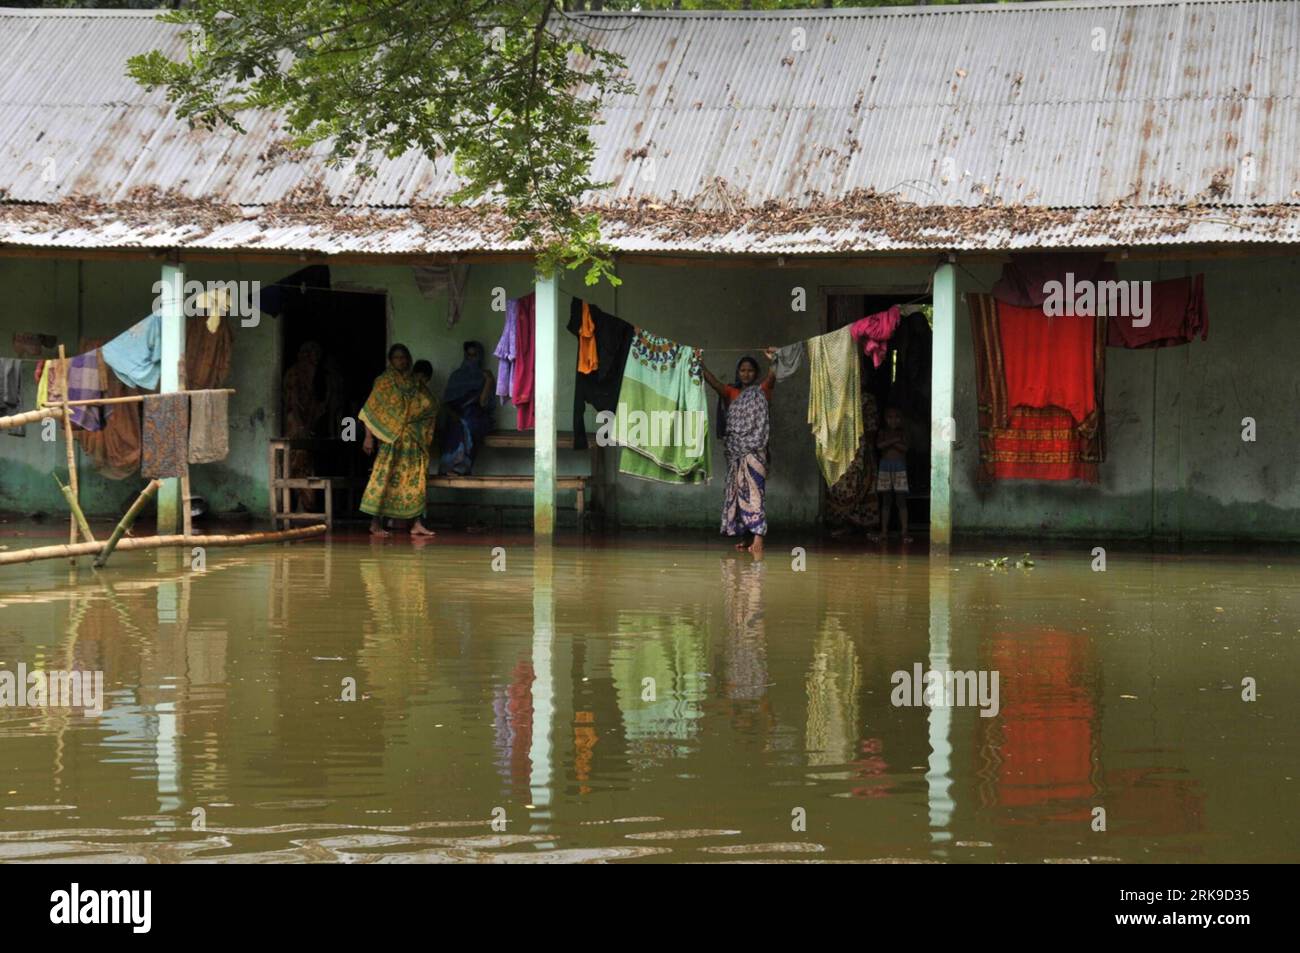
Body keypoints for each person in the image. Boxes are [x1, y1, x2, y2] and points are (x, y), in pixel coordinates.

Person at [701, 350, 777, 558]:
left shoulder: (762, 391)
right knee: (737, 493)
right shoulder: (730, 393)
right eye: (742, 370)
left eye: (750, 370)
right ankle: (745, 536)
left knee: (755, 492)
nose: (746, 374)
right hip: (735, 451)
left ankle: (759, 535)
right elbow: (713, 382)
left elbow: (772, 376)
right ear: (737, 373)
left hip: (756, 450)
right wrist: (698, 361)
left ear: (755, 373)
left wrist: (775, 360)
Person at [359, 344, 438, 537]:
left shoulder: (414, 382)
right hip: (391, 440)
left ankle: (417, 524)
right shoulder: (384, 382)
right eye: (396, 357)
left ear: (408, 359)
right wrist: (368, 438)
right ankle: (375, 523)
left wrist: (418, 423)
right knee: (383, 479)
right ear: (390, 360)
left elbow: (430, 404)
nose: (400, 361)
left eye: (403, 357)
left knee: (415, 482)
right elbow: (369, 410)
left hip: (412, 441)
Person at [826, 388, 880, 536]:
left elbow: (871, 427)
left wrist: (867, 450)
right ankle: (845, 523)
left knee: (863, 482)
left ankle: (861, 524)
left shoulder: (867, 399)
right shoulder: (836, 395)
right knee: (843, 486)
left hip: (860, 447)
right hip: (840, 449)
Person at [438, 341, 496, 476]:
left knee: (467, 423)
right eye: (468, 355)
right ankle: (447, 467)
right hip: (455, 414)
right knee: (455, 425)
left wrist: (488, 382)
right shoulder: (456, 375)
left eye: (474, 355)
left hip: (477, 415)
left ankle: (461, 468)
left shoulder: (485, 376)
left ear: (480, 356)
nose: (471, 359)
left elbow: (483, 404)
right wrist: (454, 414)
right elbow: (446, 403)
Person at [282, 341, 325, 513]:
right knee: (297, 463)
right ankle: (299, 504)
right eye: (312, 354)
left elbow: (319, 405)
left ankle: (303, 505)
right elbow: (292, 404)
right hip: (296, 427)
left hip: (308, 427)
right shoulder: (294, 374)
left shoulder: (315, 375)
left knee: (306, 464)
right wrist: (302, 426)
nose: (315, 358)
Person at [872, 406, 911, 543]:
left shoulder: (903, 433)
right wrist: (895, 441)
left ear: (901, 419)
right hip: (885, 468)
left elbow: (905, 448)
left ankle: (904, 532)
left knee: (901, 501)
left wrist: (890, 443)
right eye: (890, 417)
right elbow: (879, 446)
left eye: (896, 417)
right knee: (886, 501)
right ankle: (884, 532)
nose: (893, 420)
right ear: (885, 419)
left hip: (899, 468)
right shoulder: (883, 432)